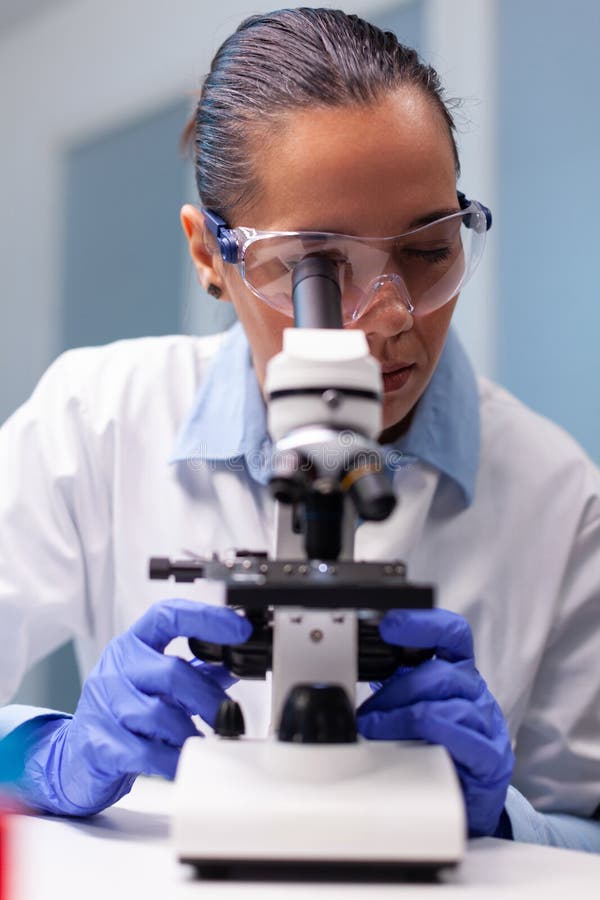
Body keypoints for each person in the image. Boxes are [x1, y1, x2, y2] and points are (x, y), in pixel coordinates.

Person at [0, 7, 599, 850]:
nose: (390, 317)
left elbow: (587, 823)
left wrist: (502, 817)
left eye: (429, 251)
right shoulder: (95, 417)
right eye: (319, 267)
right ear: (211, 255)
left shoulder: (560, 492)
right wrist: (40, 757)